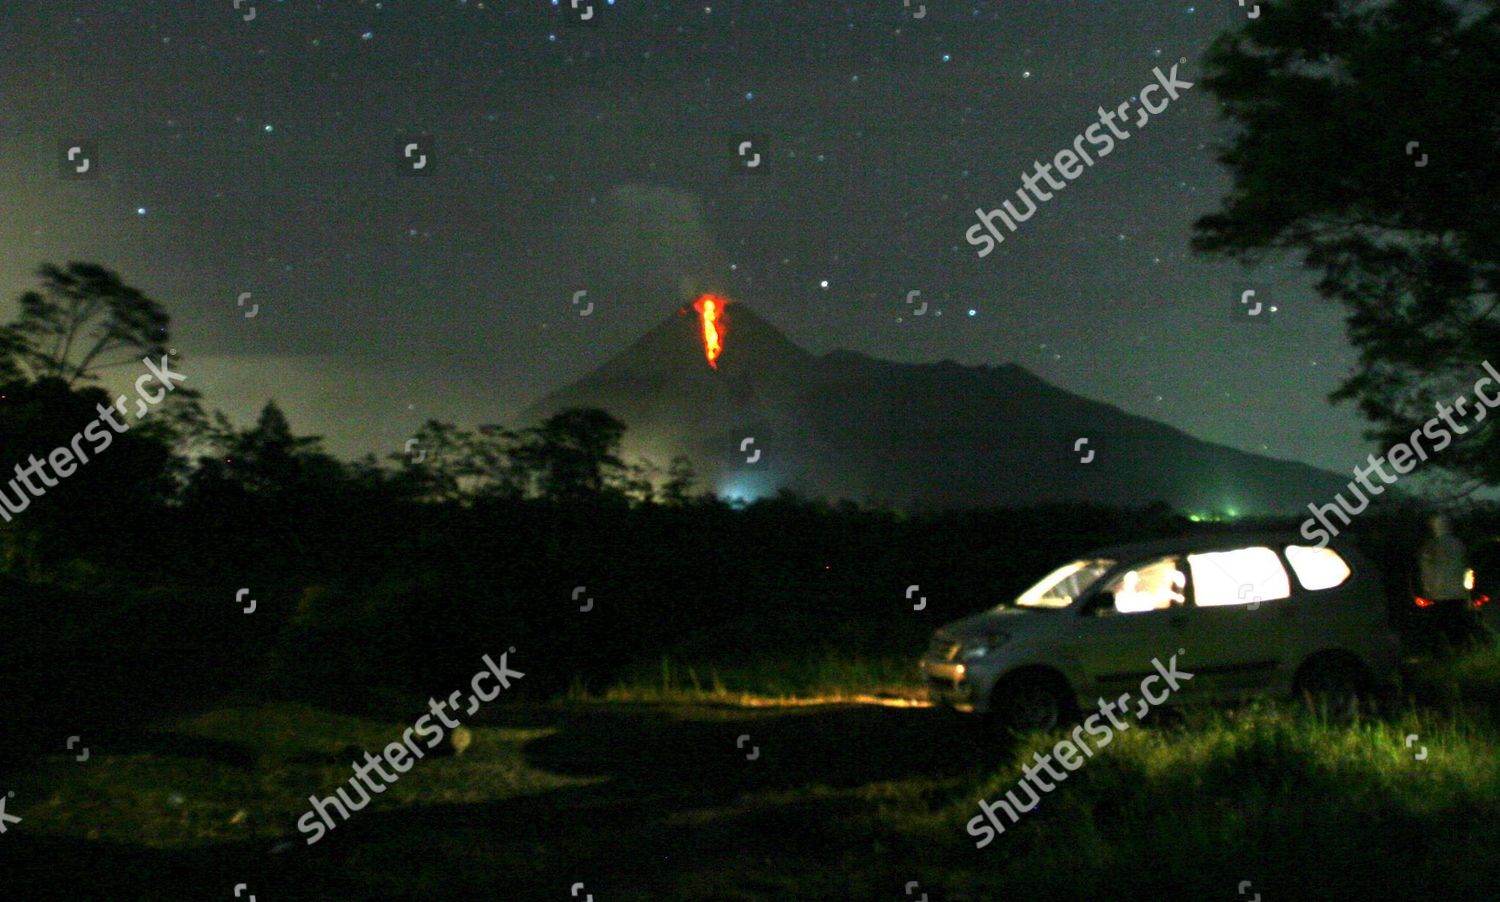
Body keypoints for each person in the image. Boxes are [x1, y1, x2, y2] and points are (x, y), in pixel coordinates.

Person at [1418, 513, 1476, 650]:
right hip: (1458, 593)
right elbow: (1467, 568)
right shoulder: (1458, 545)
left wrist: (1427, 590)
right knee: (1458, 622)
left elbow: (1426, 572)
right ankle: (1462, 646)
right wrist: (1468, 590)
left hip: (1439, 594)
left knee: (1445, 624)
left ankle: (1453, 649)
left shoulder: (1431, 547)